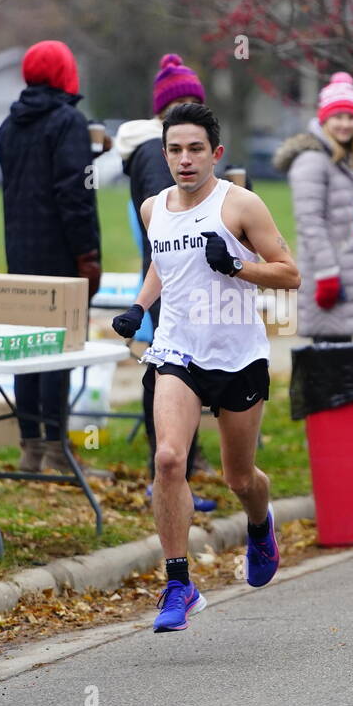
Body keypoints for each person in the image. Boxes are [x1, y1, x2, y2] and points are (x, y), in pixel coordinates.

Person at [109, 103, 300, 632]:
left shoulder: (242, 207)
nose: (185, 160)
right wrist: (140, 306)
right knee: (169, 459)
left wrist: (237, 264)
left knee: (240, 477)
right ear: (163, 153)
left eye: (196, 149)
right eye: (175, 150)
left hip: (237, 355)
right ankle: (178, 584)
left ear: (215, 153)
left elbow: (289, 275)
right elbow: (163, 266)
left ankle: (261, 527)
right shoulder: (153, 209)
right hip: (177, 352)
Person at [0, 40, 107, 478]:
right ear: (64, 73)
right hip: (61, 254)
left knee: (27, 349)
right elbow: (73, 194)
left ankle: (32, 450)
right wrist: (88, 255)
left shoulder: (9, 126)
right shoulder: (68, 123)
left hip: (20, 253)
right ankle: (59, 453)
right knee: (58, 350)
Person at [115, 54, 216, 509]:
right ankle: (169, 481)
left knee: (174, 373)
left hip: (176, 279)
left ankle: (178, 474)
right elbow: (175, 228)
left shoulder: (152, 153)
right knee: (170, 376)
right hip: (173, 283)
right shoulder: (158, 162)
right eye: (183, 104)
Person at [273, 71, 353, 343]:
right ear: (324, 119)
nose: (345, 124)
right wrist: (327, 274)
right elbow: (310, 223)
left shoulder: (345, 161)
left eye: (351, 118)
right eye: (338, 117)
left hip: (349, 273)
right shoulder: (312, 161)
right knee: (329, 363)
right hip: (330, 276)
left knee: (342, 360)